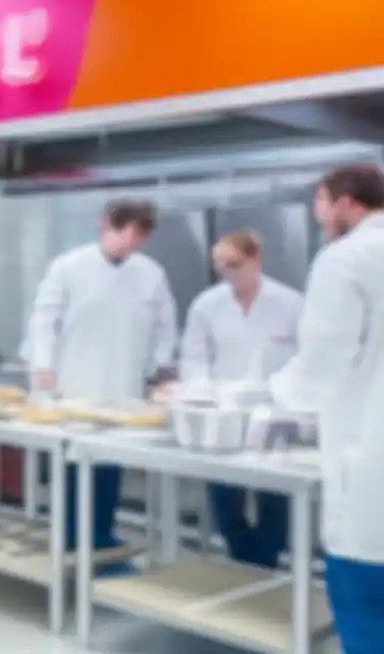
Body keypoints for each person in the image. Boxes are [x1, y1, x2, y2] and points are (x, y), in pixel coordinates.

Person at [270, 164, 384, 654]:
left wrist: (274, 390)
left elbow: (320, 367)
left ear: (342, 201)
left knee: (363, 605)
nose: (318, 215)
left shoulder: (346, 258)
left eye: (320, 202)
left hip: (369, 466)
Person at [28, 199, 177, 553]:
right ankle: (70, 540)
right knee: (74, 468)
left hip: (125, 387)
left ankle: (101, 538)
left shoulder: (150, 272)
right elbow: (44, 319)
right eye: (124, 235)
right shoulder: (69, 266)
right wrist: (43, 365)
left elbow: (166, 324)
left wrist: (160, 366)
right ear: (105, 224)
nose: (130, 245)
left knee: (110, 467)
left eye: (138, 238)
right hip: (76, 384)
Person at [180, 230, 301, 568]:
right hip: (223, 414)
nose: (228, 273)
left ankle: (265, 558)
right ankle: (242, 555)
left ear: (256, 258)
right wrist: (202, 392)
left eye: (235, 264)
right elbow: (194, 357)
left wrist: (283, 391)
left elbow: (306, 358)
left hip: (275, 411)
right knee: (224, 490)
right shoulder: (207, 305)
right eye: (221, 267)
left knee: (275, 492)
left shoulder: (290, 303)